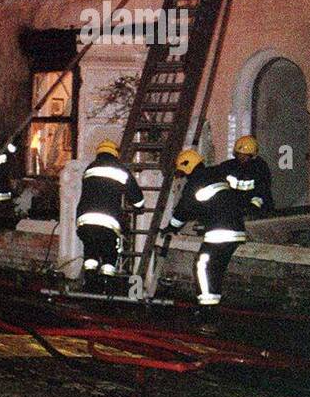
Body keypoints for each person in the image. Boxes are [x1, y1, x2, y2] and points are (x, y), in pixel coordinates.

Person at [163, 148, 246, 317]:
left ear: (187, 166)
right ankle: (212, 304)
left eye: (183, 172)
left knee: (203, 265)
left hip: (220, 231)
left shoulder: (195, 182)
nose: (183, 175)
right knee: (215, 269)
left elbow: (183, 210)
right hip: (237, 229)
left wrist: (171, 227)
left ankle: (207, 309)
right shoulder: (216, 173)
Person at [75, 139, 144, 292]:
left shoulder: (90, 168)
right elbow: (136, 196)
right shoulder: (119, 169)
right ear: (115, 153)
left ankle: (90, 282)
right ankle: (107, 283)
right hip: (108, 221)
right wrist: (140, 207)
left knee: (90, 250)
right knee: (109, 251)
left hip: (85, 219)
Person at [222, 134, 274, 219]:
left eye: (245, 155)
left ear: (252, 156)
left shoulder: (259, 168)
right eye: (239, 154)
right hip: (237, 211)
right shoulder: (228, 166)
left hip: (259, 212)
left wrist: (253, 207)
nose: (241, 157)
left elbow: (262, 192)